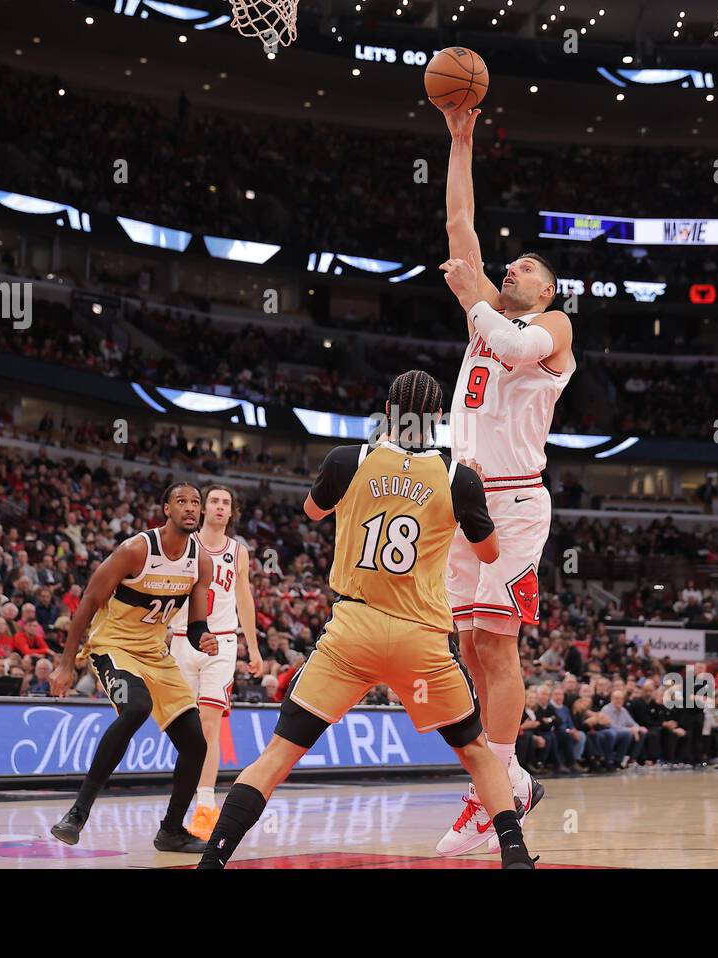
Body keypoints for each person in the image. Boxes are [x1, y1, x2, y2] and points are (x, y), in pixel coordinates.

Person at [196, 371, 533, 869]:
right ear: (439, 418)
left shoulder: (347, 460)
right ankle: (515, 855)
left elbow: (313, 511)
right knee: (477, 751)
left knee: (277, 756)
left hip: (352, 631)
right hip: (420, 639)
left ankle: (213, 859)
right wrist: (467, 498)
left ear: (388, 412)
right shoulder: (458, 475)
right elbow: (488, 553)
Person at [433, 106, 575, 855]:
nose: (513, 267)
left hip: (516, 503)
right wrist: (459, 141)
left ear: (547, 291)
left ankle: (502, 782)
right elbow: (462, 226)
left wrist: (473, 297)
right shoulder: (484, 315)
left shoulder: (552, 331)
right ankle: (499, 782)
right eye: (510, 264)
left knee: (498, 646)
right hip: (465, 503)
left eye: (528, 267)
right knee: (465, 644)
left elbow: (513, 341)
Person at [47, 482, 214, 854]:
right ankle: (77, 814)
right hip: (113, 648)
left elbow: (197, 622)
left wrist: (205, 637)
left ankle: (171, 831)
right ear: (166, 509)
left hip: (156, 653)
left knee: (195, 744)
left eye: (195, 502)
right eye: (181, 501)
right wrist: (64, 665)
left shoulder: (201, 561)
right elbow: (88, 602)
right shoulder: (136, 549)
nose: (190, 508)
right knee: (136, 707)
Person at [167, 484, 263, 838]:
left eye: (226, 502)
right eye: (215, 502)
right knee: (185, 729)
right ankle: (182, 805)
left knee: (210, 724)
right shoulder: (182, 545)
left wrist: (253, 648)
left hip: (221, 643)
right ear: (203, 509)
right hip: (180, 640)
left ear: (230, 511)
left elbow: (245, 600)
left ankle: (206, 805)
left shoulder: (238, 552)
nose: (220, 507)